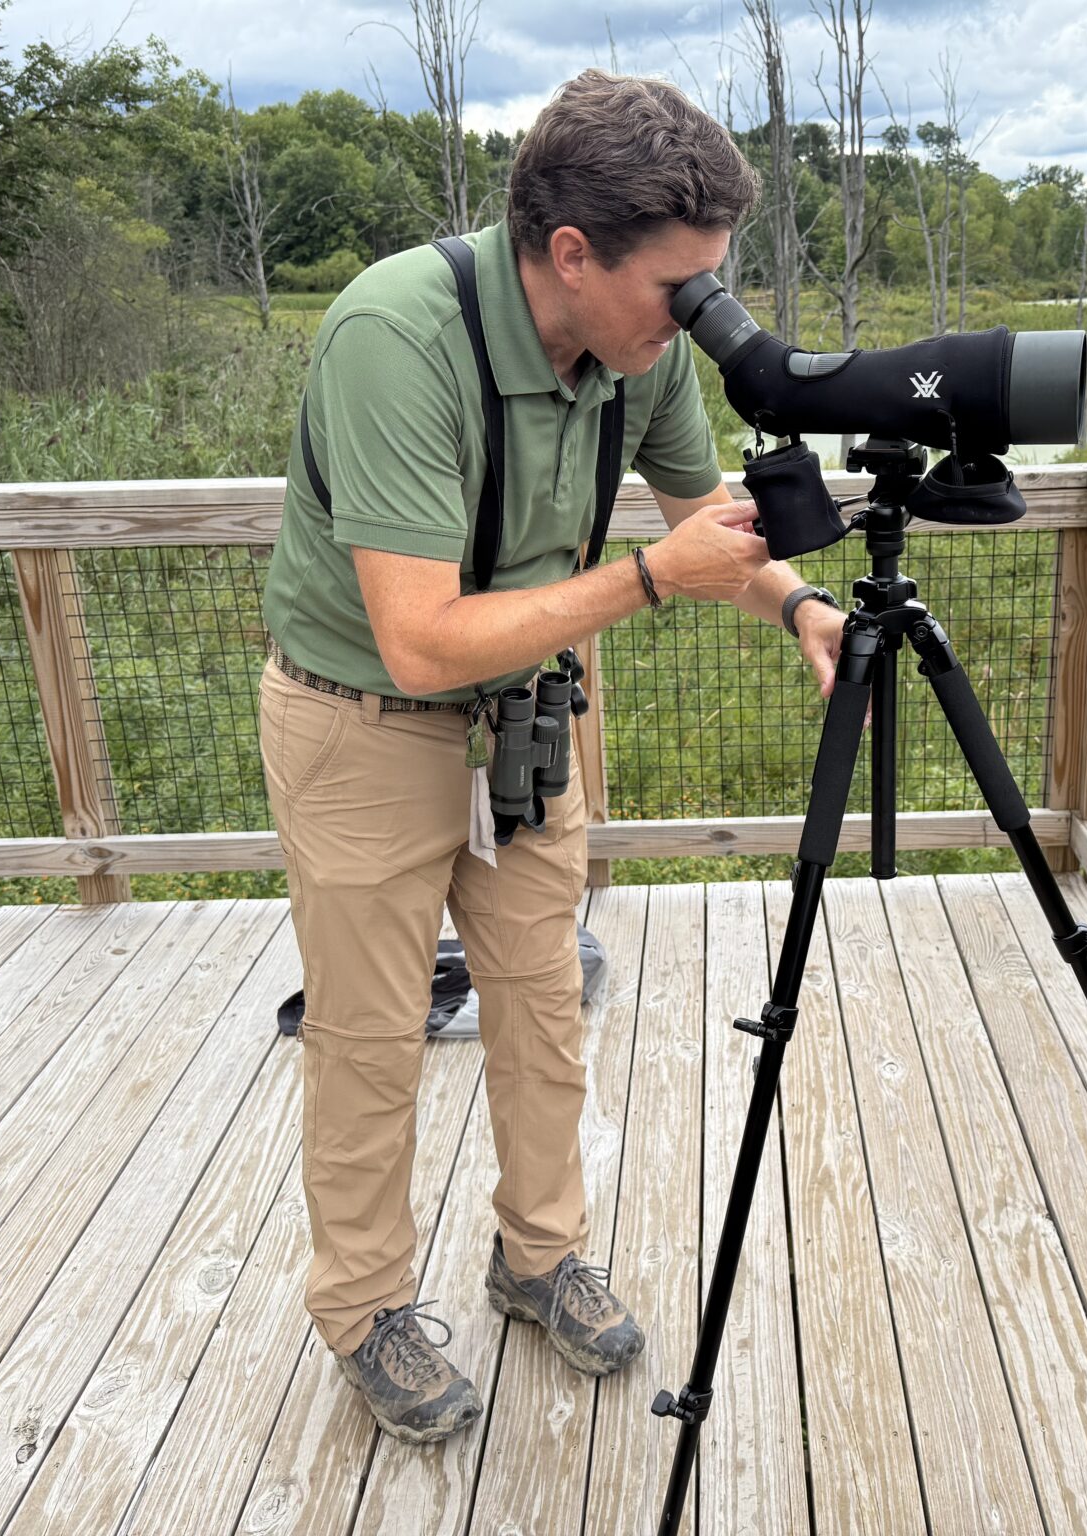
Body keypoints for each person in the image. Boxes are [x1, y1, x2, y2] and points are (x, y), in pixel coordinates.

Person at [256, 68, 849, 1445]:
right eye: (683, 287)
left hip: (530, 724)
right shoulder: (396, 336)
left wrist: (798, 604)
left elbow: (706, 517)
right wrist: (649, 583)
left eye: (718, 286)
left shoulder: (633, 355)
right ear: (571, 255)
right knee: (366, 1044)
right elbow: (414, 640)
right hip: (365, 725)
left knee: (541, 1005)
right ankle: (362, 1310)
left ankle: (537, 1257)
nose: (706, 316)